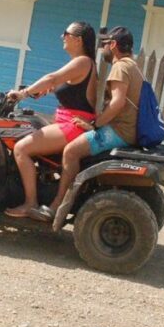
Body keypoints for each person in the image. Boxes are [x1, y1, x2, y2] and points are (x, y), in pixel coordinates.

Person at [40, 26, 143, 220]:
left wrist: (96, 124)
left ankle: (57, 205)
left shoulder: (120, 67)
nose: (101, 48)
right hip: (127, 129)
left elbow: (117, 102)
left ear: (113, 45)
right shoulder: (134, 66)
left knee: (71, 151)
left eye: (104, 44)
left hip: (119, 131)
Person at [4, 21, 98, 220]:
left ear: (78, 39)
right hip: (65, 123)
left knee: (21, 149)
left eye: (66, 33)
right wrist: (39, 92)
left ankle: (30, 203)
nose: (62, 37)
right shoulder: (80, 63)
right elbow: (55, 85)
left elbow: (51, 78)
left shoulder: (83, 62)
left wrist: (22, 93)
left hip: (72, 125)